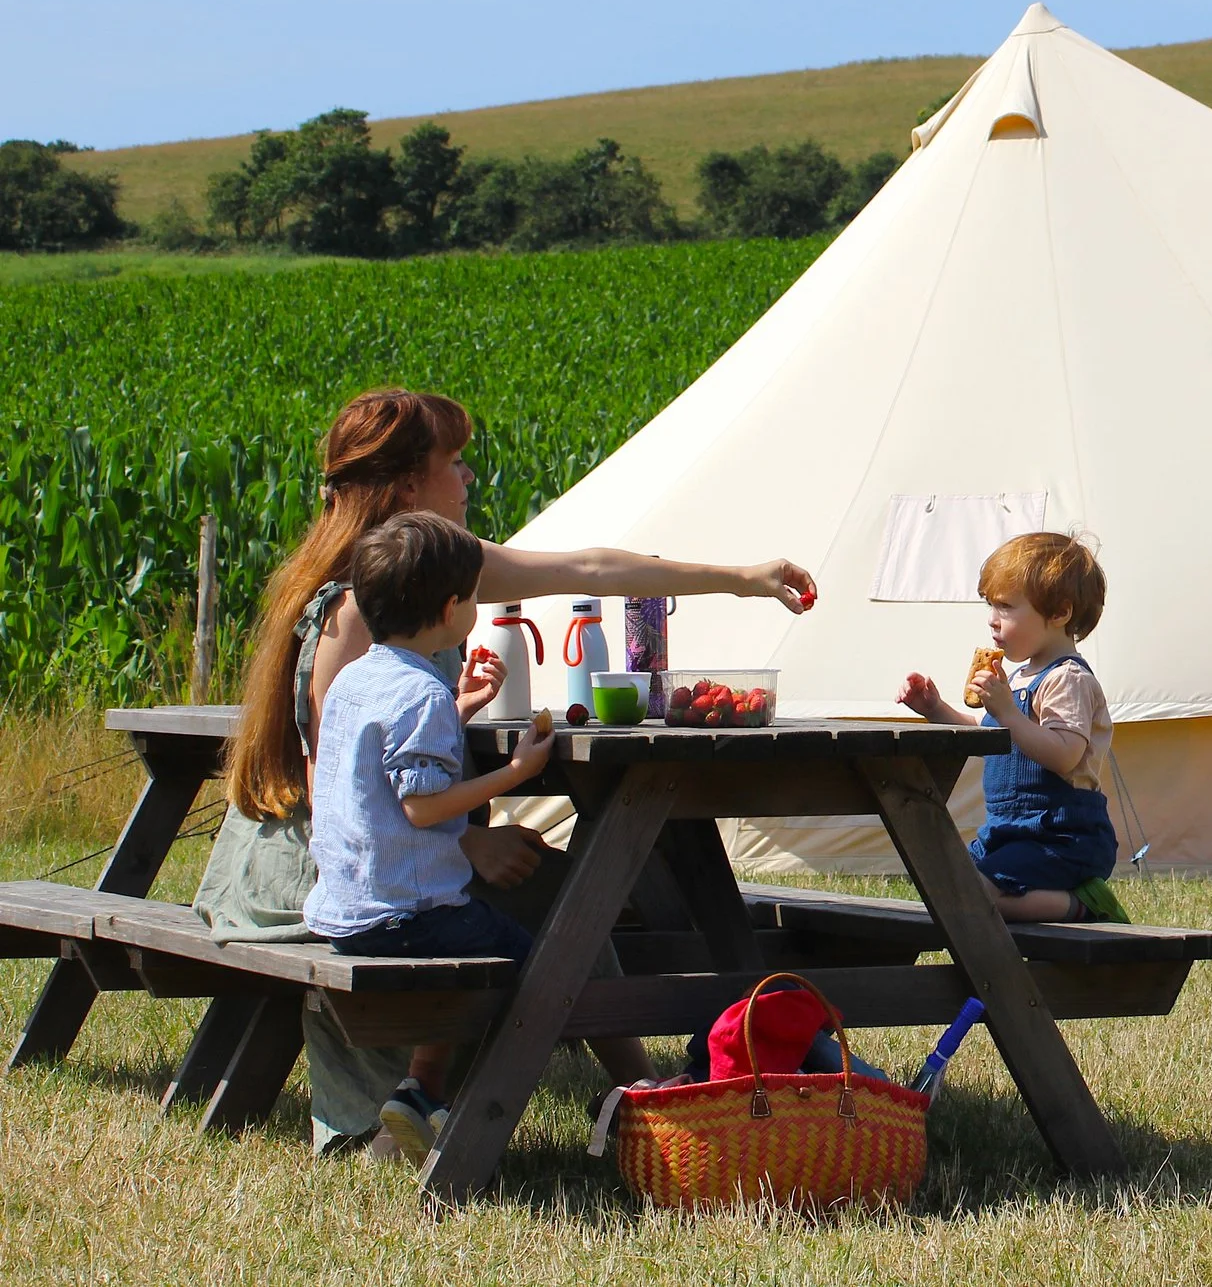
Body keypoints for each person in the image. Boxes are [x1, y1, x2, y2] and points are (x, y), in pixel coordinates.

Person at [193, 386, 818, 1156]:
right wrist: (468, 844)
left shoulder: (422, 574)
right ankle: (608, 1093)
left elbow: (588, 565)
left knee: (563, 887)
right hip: (332, 870)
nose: (469, 478)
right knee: (563, 894)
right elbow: (340, 794)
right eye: (454, 461)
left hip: (389, 849)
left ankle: (626, 1085)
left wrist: (743, 577)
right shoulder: (358, 611)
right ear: (408, 487)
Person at [304, 513, 556, 1158]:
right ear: (451, 610)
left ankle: (421, 1092)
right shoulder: (422, 695)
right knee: (536, 963)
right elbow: (421, 807)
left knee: (467, 934)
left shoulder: (357, 678)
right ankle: (475, 1114)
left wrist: (458, 707)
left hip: (344, 908)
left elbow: (388, 764)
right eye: (472, 597)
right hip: (403, 915)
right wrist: (516, 773)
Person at [898, 533, 1129, 923]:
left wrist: (1008, 712)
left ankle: (1081, 905)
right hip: (1008, 830)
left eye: (1005, 606)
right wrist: (935, 709)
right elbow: (987, 732)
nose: (992, 619)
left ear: (1060, 613)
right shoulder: (1021, 676)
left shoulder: (1067, 679)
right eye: (990, 605)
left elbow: (1065, 753)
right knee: (946, 882)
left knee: (973, 896)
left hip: (1060, 834)